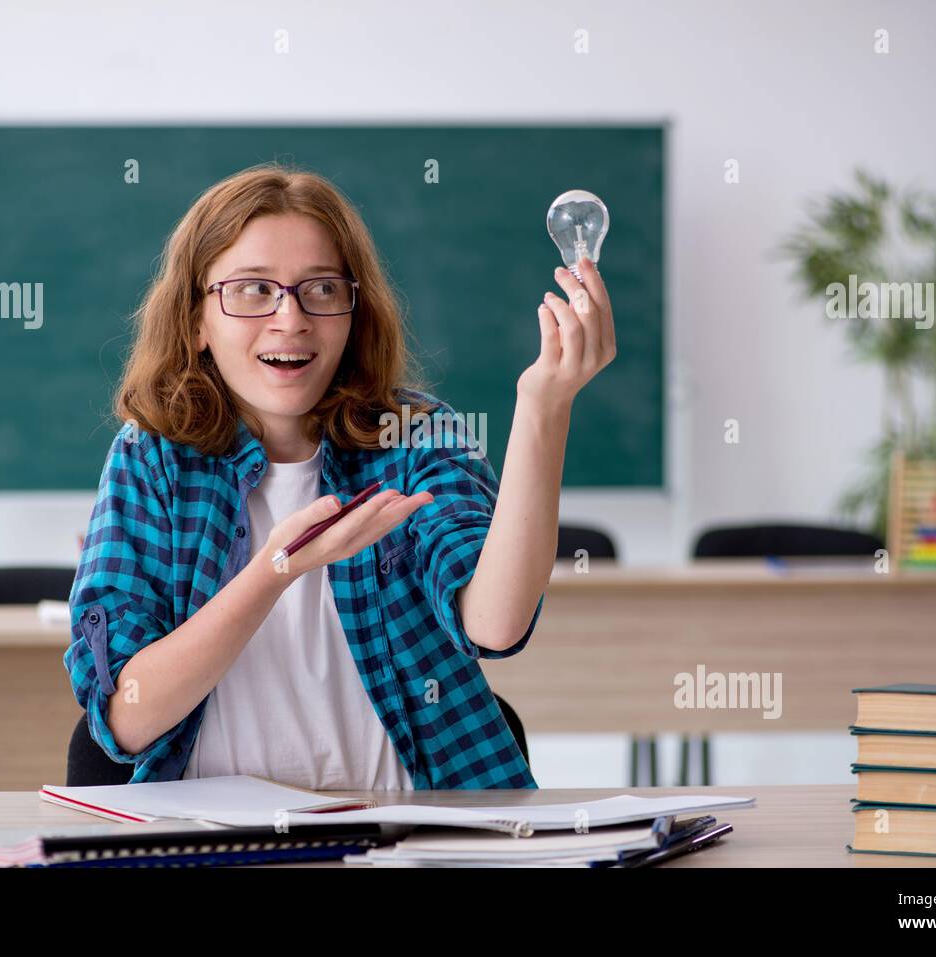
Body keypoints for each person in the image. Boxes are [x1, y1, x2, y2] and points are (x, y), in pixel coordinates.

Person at [64, 162, 615, 789]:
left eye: (321, 289)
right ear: (197, 323)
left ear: (353, 314)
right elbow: (125, 721)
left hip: (411, 841)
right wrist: (277, 569)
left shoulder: (415, 437)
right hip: (210, 842)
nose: (290, 319)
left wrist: (545, 406)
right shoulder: (151, 459)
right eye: (252, 289)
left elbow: (494, 625)